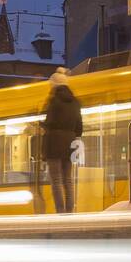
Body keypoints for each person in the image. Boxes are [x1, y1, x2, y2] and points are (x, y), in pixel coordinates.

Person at [40, 69, 83, 214]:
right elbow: (79, 126)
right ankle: (70, 210)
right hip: (70, 142)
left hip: (54, 143)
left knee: (56, 180)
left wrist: (41, 124)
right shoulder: (76, 102)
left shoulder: (54, 100)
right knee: (68, 179)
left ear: (54, 85)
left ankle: (60, 210)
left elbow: (50, 122)